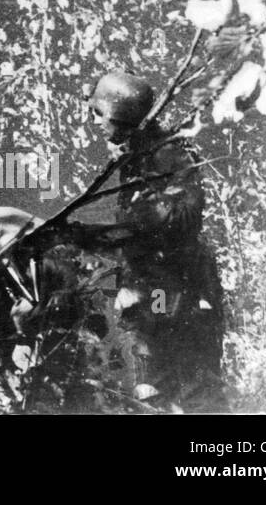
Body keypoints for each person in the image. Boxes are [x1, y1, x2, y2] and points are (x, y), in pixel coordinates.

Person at [68, 71, 225, 411]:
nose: (94, 122)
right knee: (155, 386)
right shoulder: (143, 153)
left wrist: (87, 236)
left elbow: (176, 222)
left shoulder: (166, 154)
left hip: (175, 291)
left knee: (184, 388)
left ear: (123, 118)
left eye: (99, 114)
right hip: (160, 288)